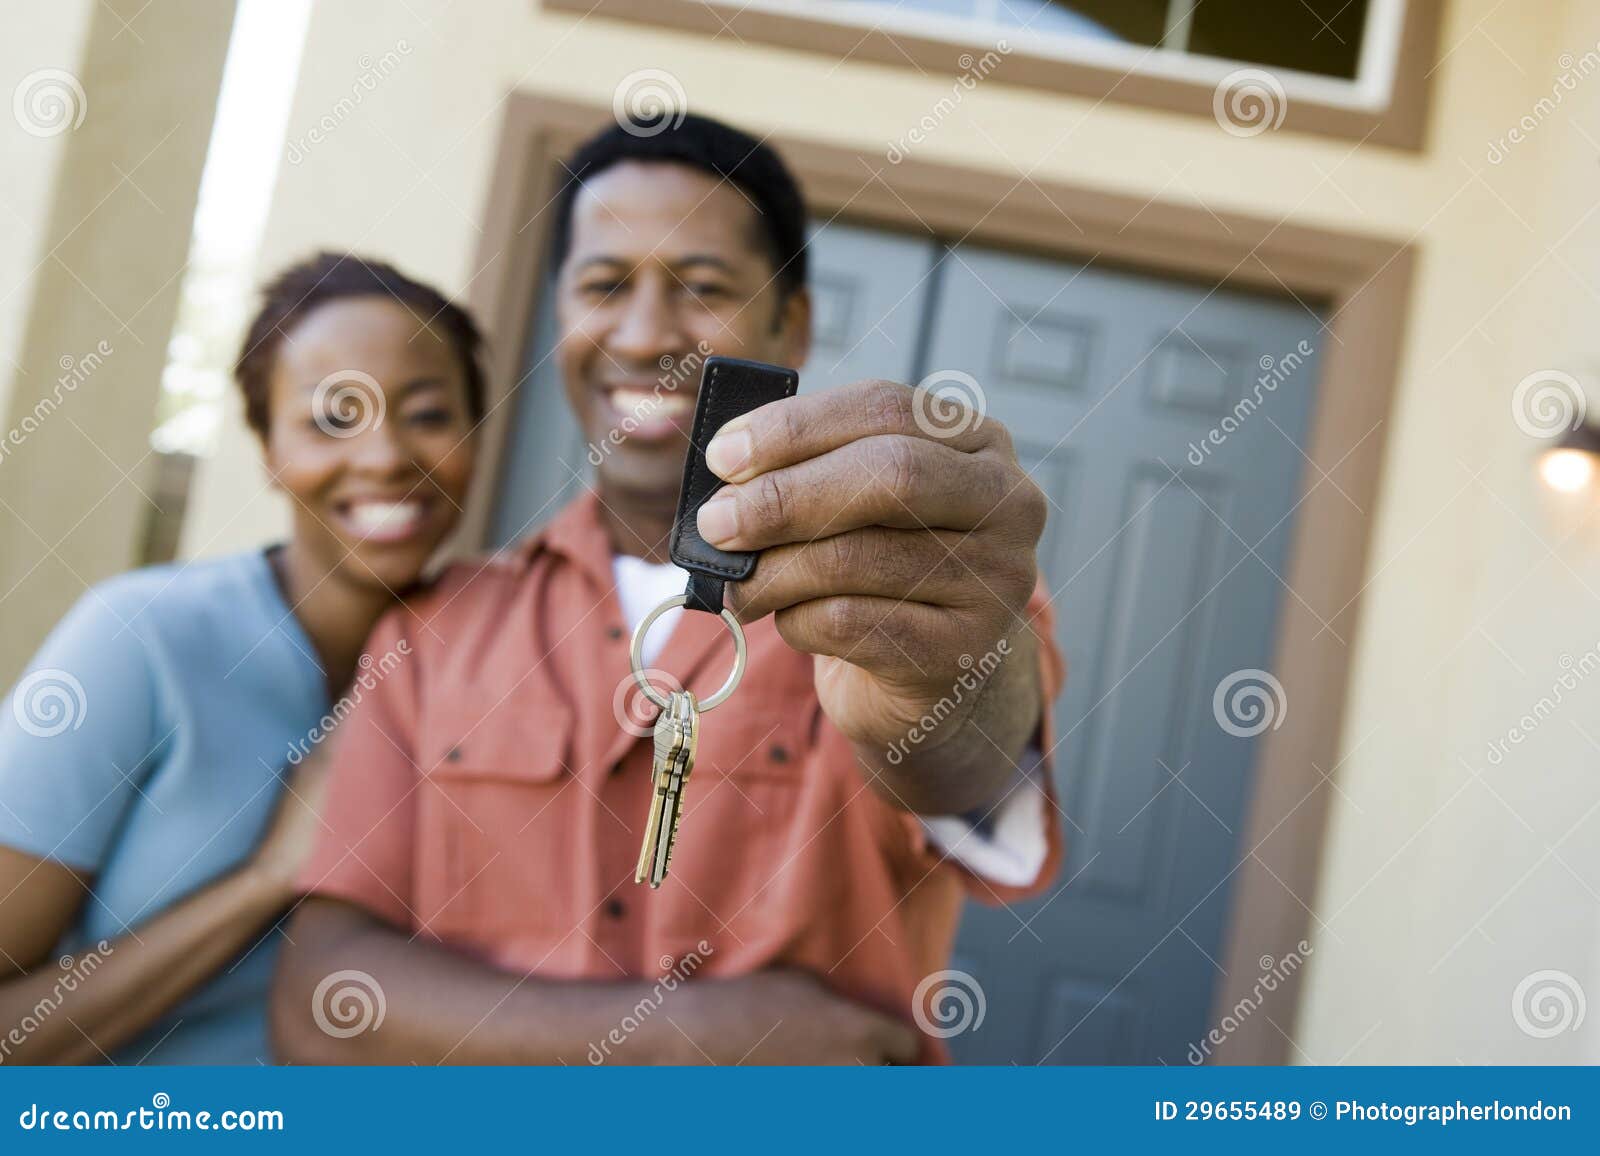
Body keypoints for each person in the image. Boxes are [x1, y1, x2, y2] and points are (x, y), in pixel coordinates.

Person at [271, 113, 1065, 1065]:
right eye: (605, 285)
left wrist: (947, 690)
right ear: (561, 311)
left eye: (704, 287)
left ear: (792, 323)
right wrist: (680, 1040)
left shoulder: (914, 587)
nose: (647, 335)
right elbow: (324, 1000)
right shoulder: (434, 628)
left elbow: (969, 759)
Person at [0, 253, 484, 1064]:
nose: (385, 456)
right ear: (266, 448)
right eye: (333, 418)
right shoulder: (138, 640)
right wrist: (270, 875)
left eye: (429, 413)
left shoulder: (496, 656)